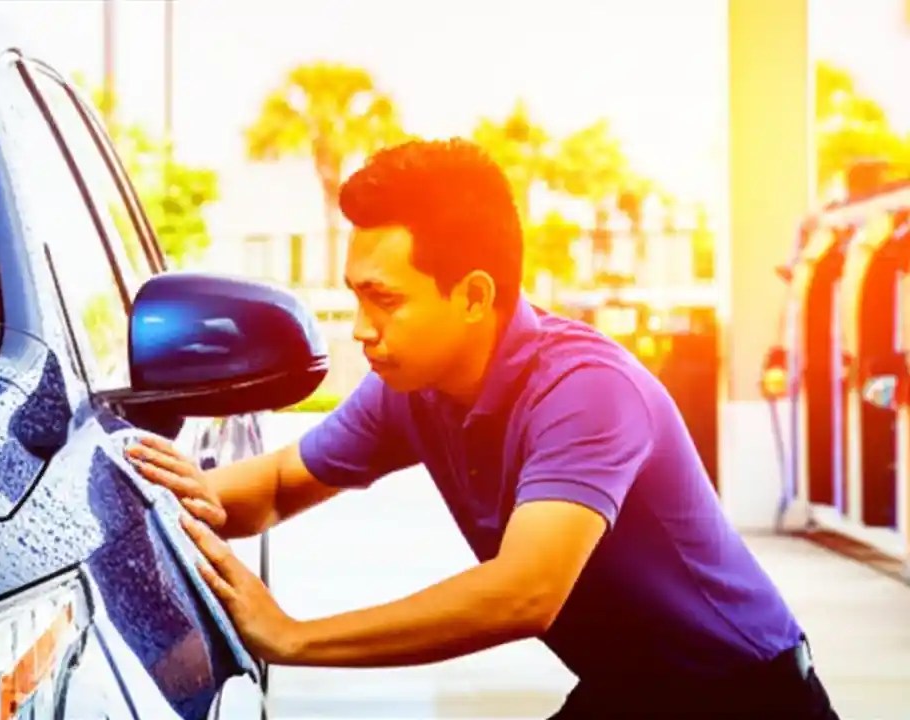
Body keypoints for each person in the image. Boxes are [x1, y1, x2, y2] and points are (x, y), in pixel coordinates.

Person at [125, 138, 840, 718]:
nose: (362, 329)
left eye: (385, 299)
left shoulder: (586, 391)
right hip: (631, 692)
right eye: (356, 297)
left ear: (473, 297)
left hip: (745, 698)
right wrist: (165, 494)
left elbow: (524, 591)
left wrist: (296, 637)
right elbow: (279, 485)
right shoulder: (413, 387)